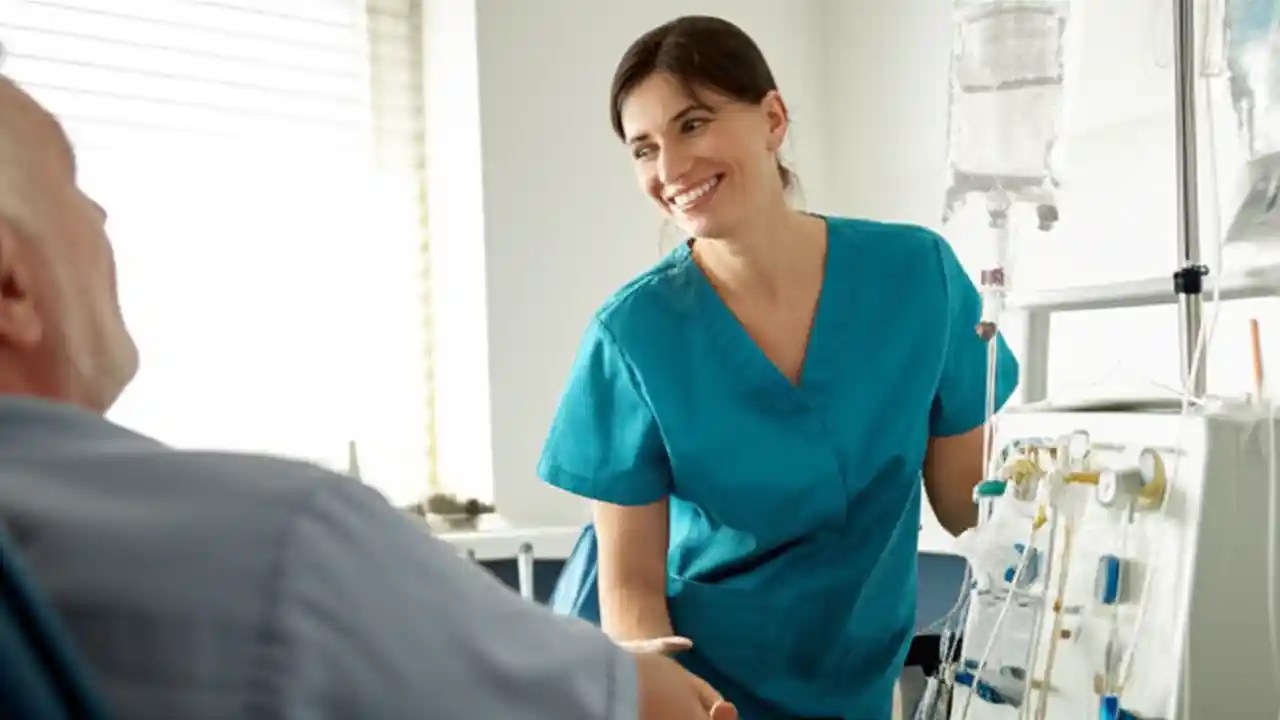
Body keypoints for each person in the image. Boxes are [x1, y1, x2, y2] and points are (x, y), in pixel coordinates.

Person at [0, 74, 738, 720]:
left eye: (693, 123)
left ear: (772, 121)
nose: (99, 216)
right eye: (70, 183)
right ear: (9, 283)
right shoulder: (288, 544)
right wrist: (643, 680)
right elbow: (638, 692)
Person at [538, 15, 1019, 720]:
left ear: (772, 117)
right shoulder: (633, 334)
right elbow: (630, 588)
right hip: (700, 685)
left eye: (693, 124)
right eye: (644, 149)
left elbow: (965, 506)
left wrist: (1068, 498)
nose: (669, 170)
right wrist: (663, 688)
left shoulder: (918, 277)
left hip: (854, 680)